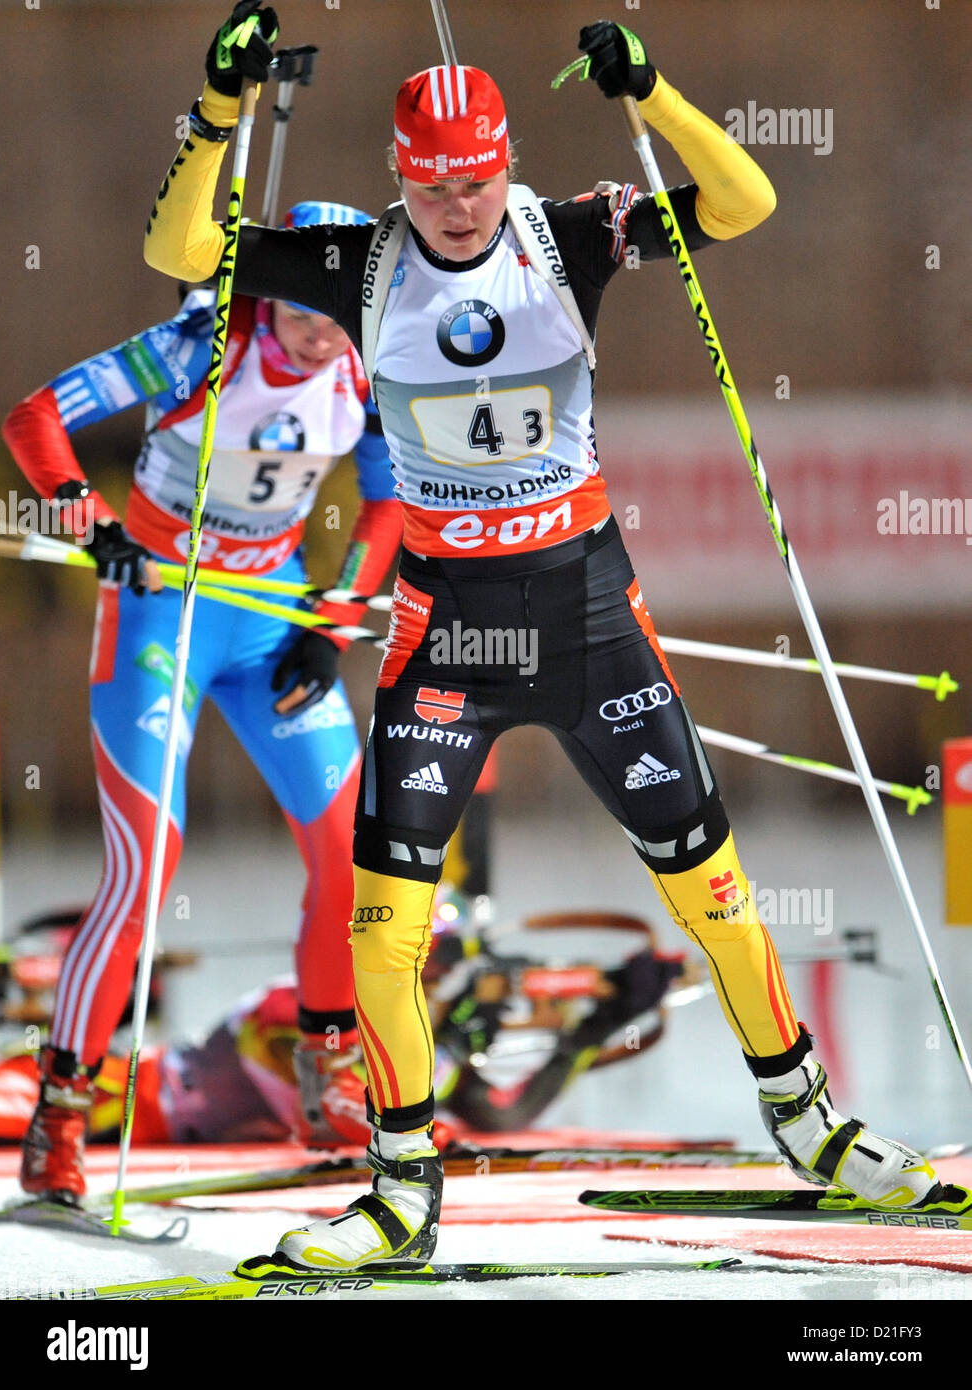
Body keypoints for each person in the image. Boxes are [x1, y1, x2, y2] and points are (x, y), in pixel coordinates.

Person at [143, 6, 944, 1271]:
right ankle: (402, 1183)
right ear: (398, 176)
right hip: (444, 637)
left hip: (585, 621)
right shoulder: (356, 265)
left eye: (477, 176)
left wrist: (660, 89)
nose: (459, 204)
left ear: (506, 161)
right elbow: (178, 244)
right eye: (432, 181)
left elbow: (744, 205)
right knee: (383, 929)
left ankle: (807, 1119)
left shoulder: (566, 235)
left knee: (714, 889)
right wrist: (217, 106)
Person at [2, 197, 403, 1205]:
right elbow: (35, 418)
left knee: (351, 851)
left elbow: (390, 495)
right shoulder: (200, 346)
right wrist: (92, 523)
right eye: (303, 306)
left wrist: (338, 610)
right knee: (146, 871)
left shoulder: (364, 367)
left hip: (267, 614)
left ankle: (329, 1070)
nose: (321, 331)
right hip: (159, 615)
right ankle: (60, 1111)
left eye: (338, 309)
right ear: (267, 291)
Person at [0, 893, 683, 1147]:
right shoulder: (293, 1002)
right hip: (118, 1097)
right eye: (426, 965)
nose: (435, 984)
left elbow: (494, 1115)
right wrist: (445, 1048)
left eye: (442, 970)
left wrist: (589, 1034)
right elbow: (326, 1118)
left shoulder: (402, 1036)